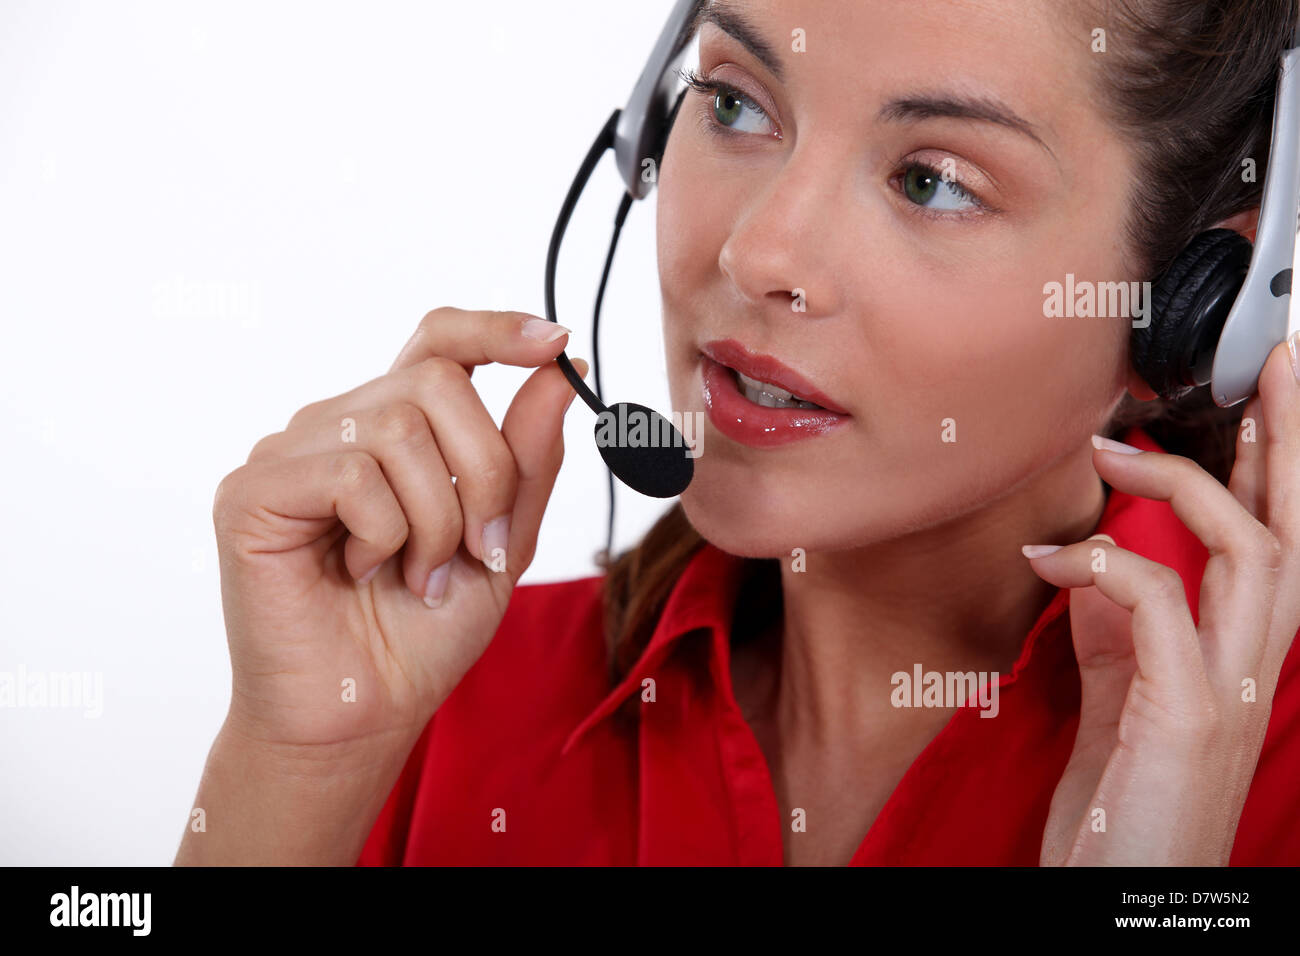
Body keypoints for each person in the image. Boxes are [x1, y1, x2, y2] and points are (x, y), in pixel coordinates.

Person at [176, 0, 1300, 866]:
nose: (759, 254)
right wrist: (294, 768)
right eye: (737, 104)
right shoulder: (447, 687)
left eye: (933, 180)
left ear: (1204, 298)